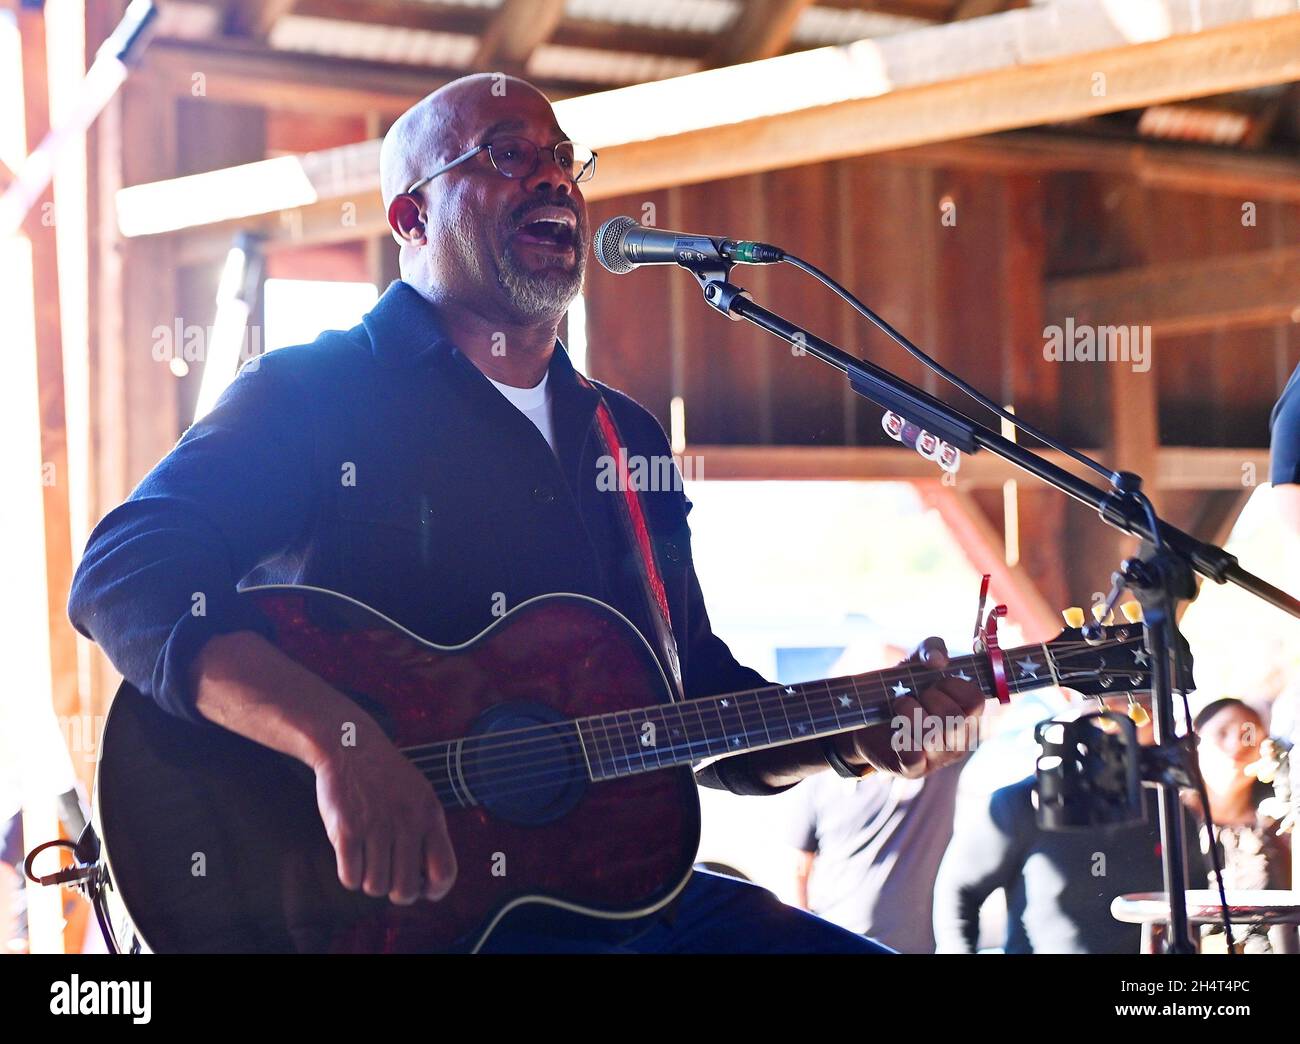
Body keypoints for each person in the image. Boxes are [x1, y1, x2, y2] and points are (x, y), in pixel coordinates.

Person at [67, 74, 984, 953]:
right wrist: (338, 744)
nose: (551, 176)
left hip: (628, 896)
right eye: (505, 155)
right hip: (394, 921)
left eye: (561, 157)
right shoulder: (313, 395)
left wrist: (855, 737)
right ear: (411, 217)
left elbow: (688, 699)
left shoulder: (624, 438)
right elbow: (126, 570)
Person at [932, 694, 1193, 954]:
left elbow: (1193, 898)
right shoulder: (1019, 803)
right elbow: (958, 890)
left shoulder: (1169, 808)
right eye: (1109, 715)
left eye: (1141, 714)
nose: (1117, 731)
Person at [788, 756, 968, 953]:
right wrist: (801, 937)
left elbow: (967, 728)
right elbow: (799, 867)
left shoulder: (932, 766)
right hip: (837, 939)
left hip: (909, 946)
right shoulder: (821, 779)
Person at [1190, 698, 1292, 953]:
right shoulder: (1167, 817)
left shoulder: (1281, 822)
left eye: (1248, 734)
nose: (1236, 744)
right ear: (1194, 744)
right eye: (1222, 733)